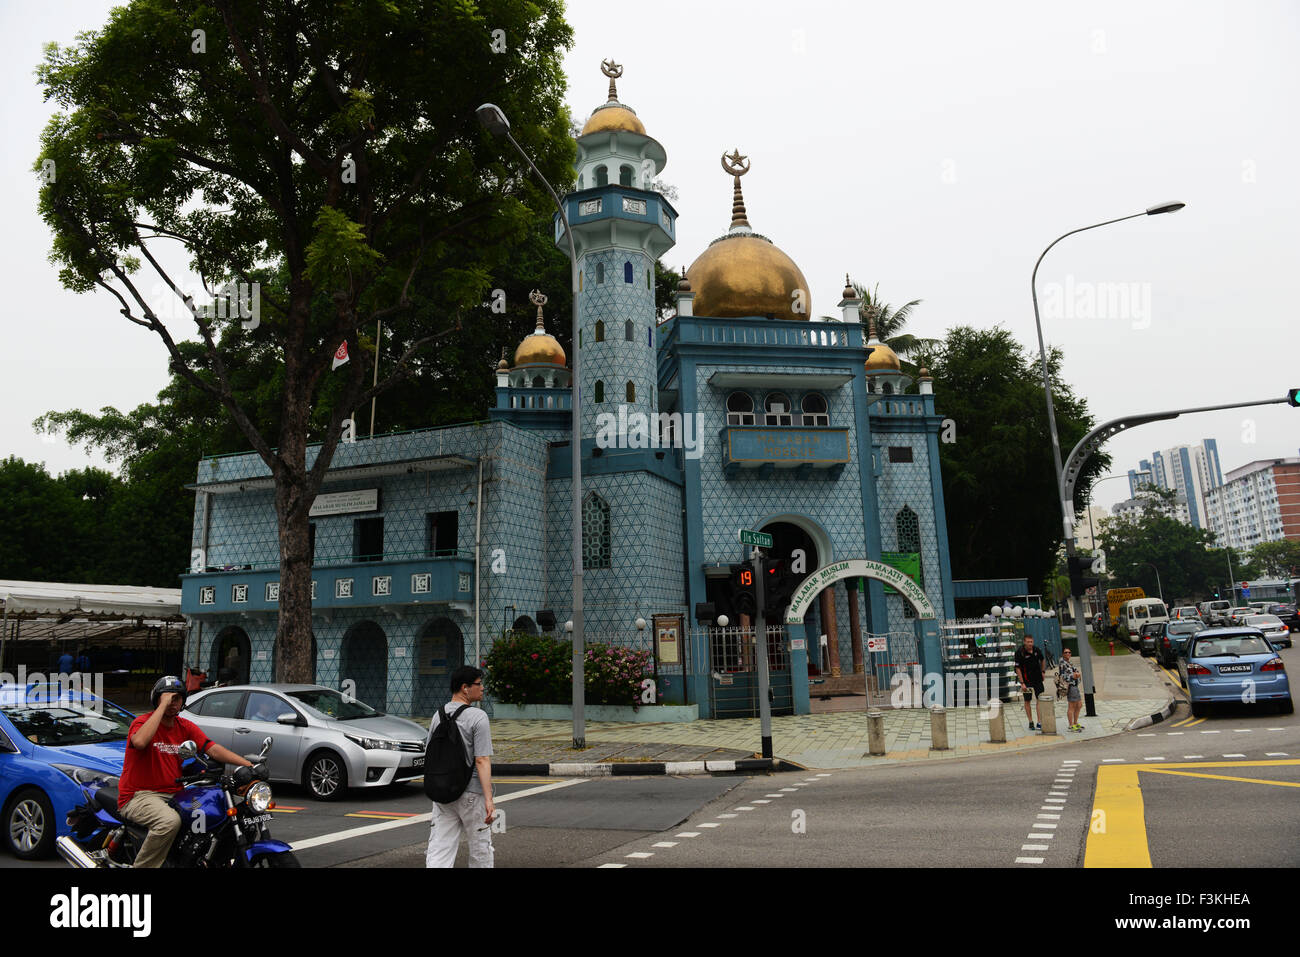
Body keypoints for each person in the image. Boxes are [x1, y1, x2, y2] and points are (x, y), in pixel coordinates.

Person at [118, 675, 254, 868]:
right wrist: (161, 707)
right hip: (139, 796)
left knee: (213, 816)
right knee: (169, 822)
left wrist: (248, 765)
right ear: (156, 699)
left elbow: (211, 748)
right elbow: (139, 742)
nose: (172, 702)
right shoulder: (142, 722)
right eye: (167, 698)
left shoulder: (184, 726)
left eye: (177, 698)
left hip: (174, 793)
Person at [425, 666, 495, 868]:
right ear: (465, 688)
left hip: (443, 791)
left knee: (440, 848)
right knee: (480, 849)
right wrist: (489, 799)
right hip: (471, 793)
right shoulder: (478, 716)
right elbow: (481, 760)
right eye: (478, 684)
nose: (482, 688)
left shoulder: (438, 715)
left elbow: (431, 754)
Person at [1014, 633, 1046, 731]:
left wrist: (1043, 671)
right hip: (1026, 680)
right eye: (1028, 642)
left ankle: (1039, 721)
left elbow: (1043, 659)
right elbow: (1017, 668)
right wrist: (1022, 683)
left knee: (1039, 699)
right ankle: (1030, 721)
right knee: (1027, 700)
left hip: (1037, 679)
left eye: (1031, 642)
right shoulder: (1020, 652)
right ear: (1024, 642)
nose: (1030, 644)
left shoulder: (1036, 650)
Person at [1060, 648, 1083, 731]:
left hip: (1075, 686)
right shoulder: (1063, 663)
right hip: (1070, 686)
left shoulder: (1070, 662)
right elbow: (1065, 676)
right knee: (1072, 706)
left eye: (1069, 652)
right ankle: (1071, 725)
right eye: (1066, 652)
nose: (1068, 653)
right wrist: (1075, 675)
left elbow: (1077, 673)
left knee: (1079, 705)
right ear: (1063, 654)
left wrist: (1076, 675)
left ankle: (1075, 723)